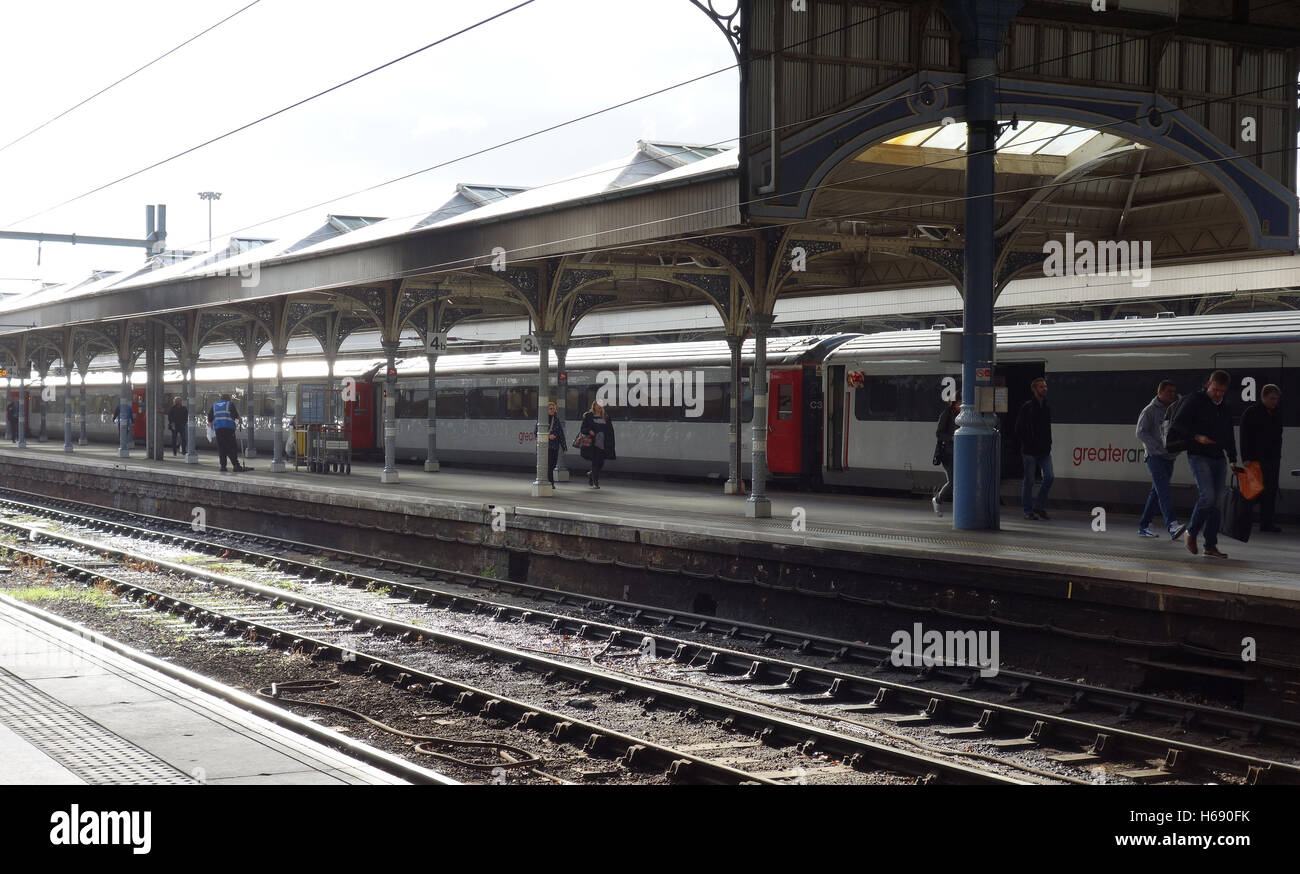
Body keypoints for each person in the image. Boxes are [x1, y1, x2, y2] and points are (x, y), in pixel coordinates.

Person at [1169, 370, 1241, 558]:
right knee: (1207, 496)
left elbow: (1229, 433)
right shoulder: (1194, 400)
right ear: (1209, 384)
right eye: (1215, 389)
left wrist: (1233, 458)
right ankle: (1191, 533)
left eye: (1222, 391)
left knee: (1216, 503)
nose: (1217, 394)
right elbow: (1177, 426)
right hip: (1198, 455)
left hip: (1218, 457)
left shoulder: (1224, 406)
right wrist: (1195, 436)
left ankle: (1210, 545)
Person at [1135, 380, 1185, 540]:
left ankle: (1144, 525)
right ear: (1160, 392)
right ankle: (1172, 525)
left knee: (1156, 492)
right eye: (1169, 391)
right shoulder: (1149, 410)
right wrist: (1155, 448)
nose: (1172, 394)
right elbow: (1140, 432)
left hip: (1169, 457)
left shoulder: (1173, 409)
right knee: (1163, 490)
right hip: (1154, 457)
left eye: (1173, 391)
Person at [1240, 384, 1283, 533]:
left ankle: (1267, 523)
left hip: (1272, 459)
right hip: (1255, 459)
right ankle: (1243, 521)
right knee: (1253, 492)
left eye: (1276, 399)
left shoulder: (1277, 413)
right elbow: (1244, 436)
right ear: (1263, 397)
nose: (1274, 402)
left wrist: (1278, 456)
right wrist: (1246, 457)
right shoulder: (1251, 413)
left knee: (1270, 491)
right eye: (1272, 398)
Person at [1014, 377, 1053, 520]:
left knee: (1049, 477)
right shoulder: (1027, 407)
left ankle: (1039, 506)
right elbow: (1018, 429)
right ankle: (1028, 510)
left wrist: (1048, 443)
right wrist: (1028, 442)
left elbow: (1047, 428)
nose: (1045, 389)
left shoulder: (1047, 407)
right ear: (1034, 389)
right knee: (1029, 481)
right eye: (1041, 387)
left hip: (1044, 450)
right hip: (1030, 451)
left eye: (1045, 386)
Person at [208, 392, 249, 472]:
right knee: (231, 447)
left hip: (218, 429)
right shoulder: (229, 404)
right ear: (228, 398)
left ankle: (223, 466)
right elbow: (236, 415)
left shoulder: (214, 405)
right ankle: (236, 466)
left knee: (221, 448)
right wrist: (240, 421)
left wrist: (212, 428)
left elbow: (210, 418)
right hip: (228, 429)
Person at [932, 397, 959, 516]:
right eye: (960, 402)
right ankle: (938, 499)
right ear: (955, 403)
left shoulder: (966, 414)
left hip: (960, 453)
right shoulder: (947, 414)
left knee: (959, 481)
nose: (962, 404)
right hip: (948, 453)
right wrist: (950, 438)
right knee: (953, 481)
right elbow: (939, 433)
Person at [579, 401, 615, 489]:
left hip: (604, 443)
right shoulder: (588, 416)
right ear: (594, 406)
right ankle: (596, 482)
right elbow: (583, 429)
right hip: (593, 443)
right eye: (597, 405)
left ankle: (591, 473)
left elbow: (610, 430)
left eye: (601, 405)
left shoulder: (606, 416)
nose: (599, 406)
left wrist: (611, 442)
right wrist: (589, 431)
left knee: (601, 462)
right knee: (595, 461)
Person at [534, 399, 566, 486]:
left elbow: (561, 434)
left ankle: (549, 481)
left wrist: (564, 447)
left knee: (552, 465)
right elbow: (536, 432)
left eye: (554, 408)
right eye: (550, 408)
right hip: (545, 447)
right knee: (548, 465)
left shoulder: (556, 420)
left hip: (554, 446)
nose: (552, 410)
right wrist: (548, 436)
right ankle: (551, 482)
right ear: (546, 410)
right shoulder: (542, 420)